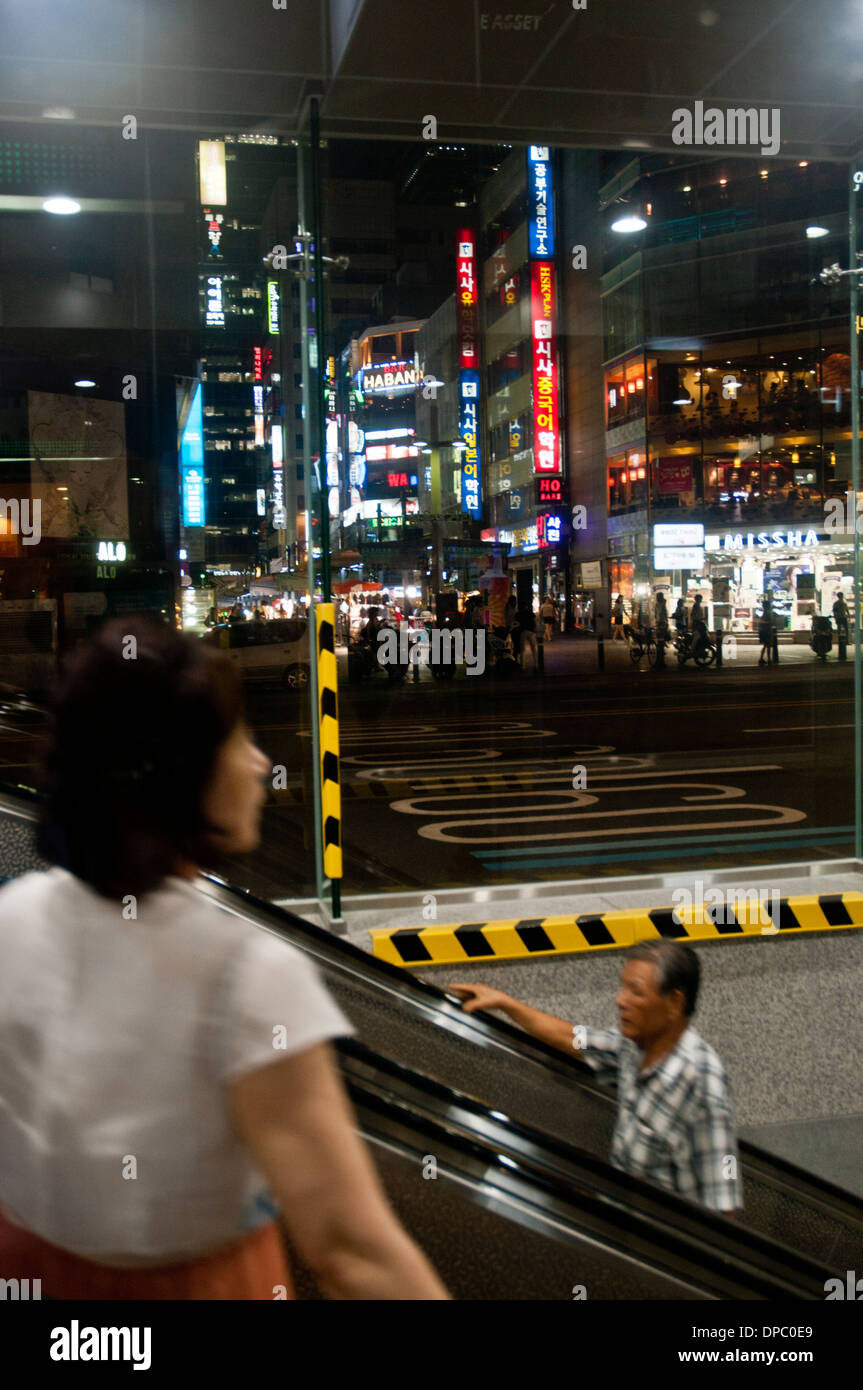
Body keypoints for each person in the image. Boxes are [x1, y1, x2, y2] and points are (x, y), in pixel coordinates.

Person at [0, 618, 448, 1301]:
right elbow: (353, 1255)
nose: (258, 762)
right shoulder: (245, 975)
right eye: (235, 738)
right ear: (178, 774)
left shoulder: (15, 917)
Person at [449, 940, 742, 1214]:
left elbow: (723, 1206)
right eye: (622, 987)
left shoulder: (702, 1084)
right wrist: (505, 1003)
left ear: (675, 1003)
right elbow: (571, 1038)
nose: (620, 1000)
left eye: (635, 991)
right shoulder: (634, 1046)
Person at [515, 601, 538, 671]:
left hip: (523, 631)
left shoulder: (518, 614)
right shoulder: (530, 613)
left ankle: (523, 665)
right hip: (531, 631)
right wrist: (535, 629)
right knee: (534, 648)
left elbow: (517, 623)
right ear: (526, 607)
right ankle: (536, 664)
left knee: (522, 650)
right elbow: (534, 621)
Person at [758, 592, 775, 666]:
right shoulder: (767, 613)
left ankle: (762, 659)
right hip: (767, 631)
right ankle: (768, 659)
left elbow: (762, 621)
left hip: (764, 631)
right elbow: (767, 621)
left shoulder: (764, 612)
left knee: (765, 646)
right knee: (767, 646)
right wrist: (770, 622)